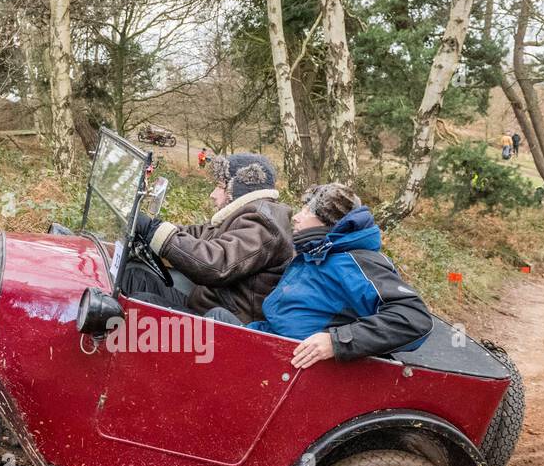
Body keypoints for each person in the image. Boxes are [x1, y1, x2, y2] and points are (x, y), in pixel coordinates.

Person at [204, 184, 432, 367]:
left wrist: (336, 341)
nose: (296, 217)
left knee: (198, 337)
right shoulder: (317, 253)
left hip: (289, 362)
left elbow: (414, 319)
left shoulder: (353, 263)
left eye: (308, 211)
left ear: (329, 222)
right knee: (214, 318)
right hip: (270, 340)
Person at [127, 153, 292, 322]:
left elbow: (217, 264)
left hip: (225, 324)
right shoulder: (243, 215)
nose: (213, 194)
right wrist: (153, 227)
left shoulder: (262, 222)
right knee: (134, 277)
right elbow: (198, 234)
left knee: (141, 304)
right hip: (205, 306)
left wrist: (153, 230)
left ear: (238, 188)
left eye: (220, 186)